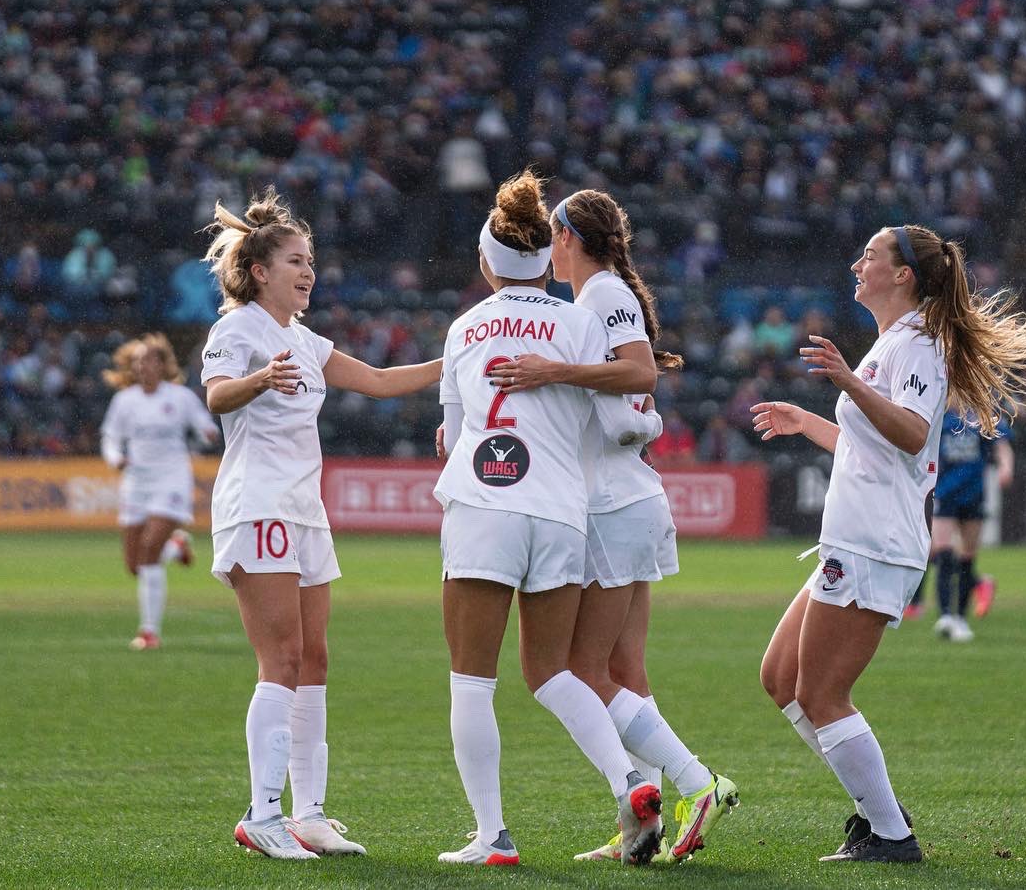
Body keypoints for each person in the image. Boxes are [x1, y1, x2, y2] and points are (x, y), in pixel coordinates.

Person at [751, 225, 1026, 863]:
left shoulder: (915, 342)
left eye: (870, 256)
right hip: (857, 535)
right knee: (781, 678)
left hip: (876, 540)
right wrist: (807, 421)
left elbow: (914, 434)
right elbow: (873, 448)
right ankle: (878, 813)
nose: (857, 263)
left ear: (902, 275)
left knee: (820, 694)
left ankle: (890, 832)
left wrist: (846, 381)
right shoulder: (894, 342)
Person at [488, 188, 738, 864]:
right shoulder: (602, 297)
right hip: (631, 498)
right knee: (624, 668)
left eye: (553, 234)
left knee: (578, 668)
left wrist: (550, 371)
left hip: (607, 506)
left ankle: (696, 781)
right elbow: (630, 396)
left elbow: (637, 369)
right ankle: (646, 823)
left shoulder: (599, 297)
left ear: (567, 236)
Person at [199, 187, 442, 861]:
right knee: (279, 658)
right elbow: (217, 394)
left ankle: (308, 812)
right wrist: (257, 380)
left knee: (314, 659)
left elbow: (384, 380)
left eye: (311, 261)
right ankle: (261, 812)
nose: (309, 271)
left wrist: (463, 361)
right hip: (259, 504)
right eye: (296, 261)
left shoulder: (304, 340)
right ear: (259, 272)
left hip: (305, 510)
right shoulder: (238, 330)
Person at [434, 172, 668, 867]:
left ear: (487, 263)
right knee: (553, 671)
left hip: (486, 502)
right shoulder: (581, 321)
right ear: (544, 259)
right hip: (562, 511)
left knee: (472, 679)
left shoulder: (464, 327)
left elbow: (449, 439)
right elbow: (624, 400)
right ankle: (629, 781)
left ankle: (492, 835)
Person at [100, 333, 219, 651]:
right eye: (138, 360)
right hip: (136, 482)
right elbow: (110, 437)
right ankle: (176, 546)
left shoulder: (179, 397)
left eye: (150, 359)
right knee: (134, 564)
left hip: (171, 479)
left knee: (150, 549)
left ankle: (149, 631)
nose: (143, 365)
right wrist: (116, 457)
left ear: (163, 365)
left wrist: (207, 432)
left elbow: (203, 423)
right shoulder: (124, 401)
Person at [928, 410, 1013, 641]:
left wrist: (1006, 466)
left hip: (973, 495)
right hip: (945, 494)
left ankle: (961, 618)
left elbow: (1002, 443)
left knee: (967, 556)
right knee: (942, 551)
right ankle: (945, 615)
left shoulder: (982, 415)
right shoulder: (941, 415)